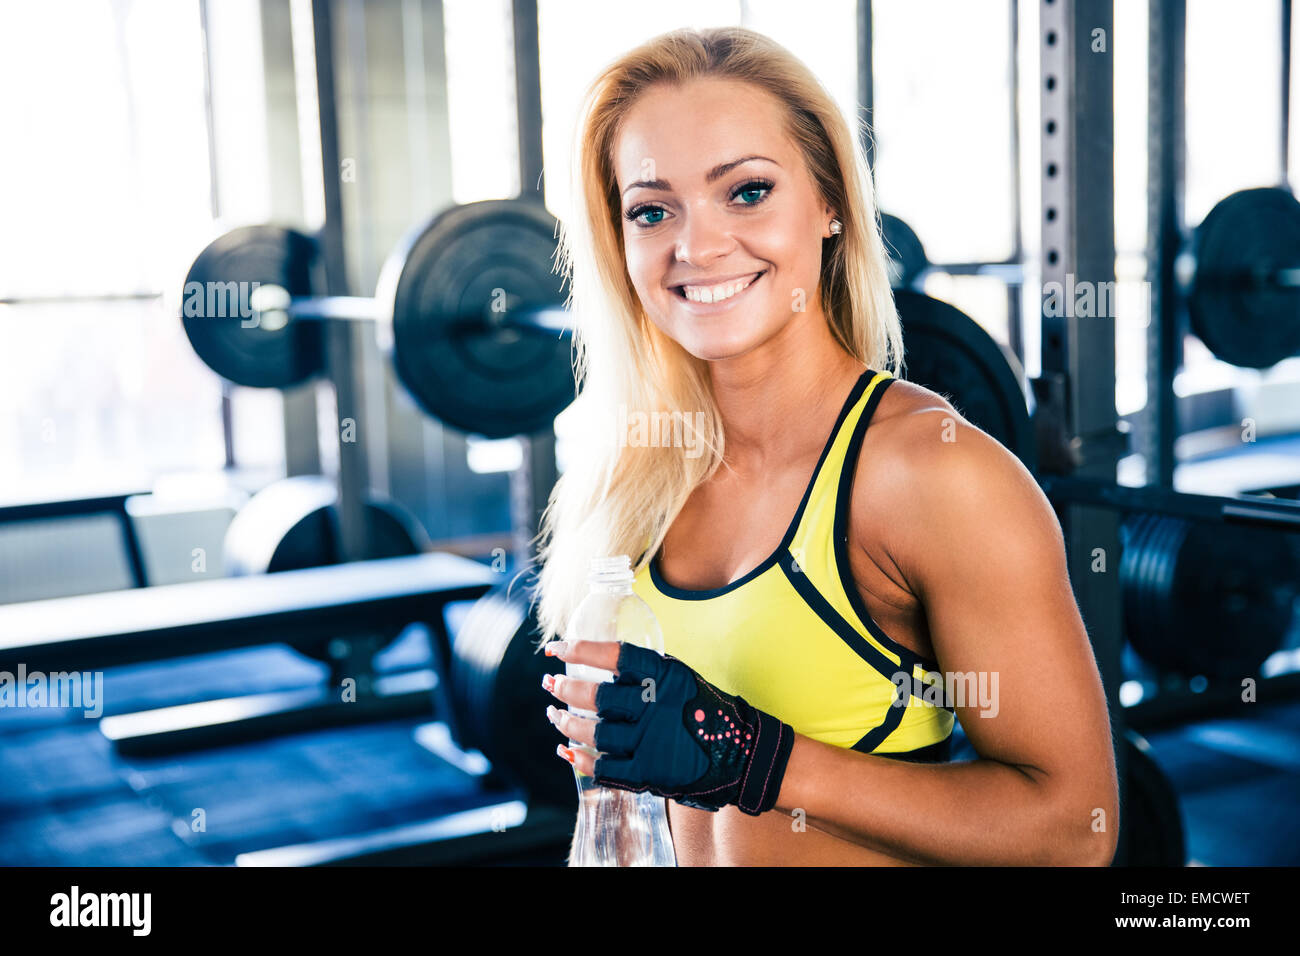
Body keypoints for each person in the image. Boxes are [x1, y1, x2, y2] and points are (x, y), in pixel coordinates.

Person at [535, 25, 1118, 866]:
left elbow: (1075, 830)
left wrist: (754, 758)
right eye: (652, 210)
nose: (697, 246)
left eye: (746, 192)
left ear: (831, 203)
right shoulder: (631, 475)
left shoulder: (933, 473)